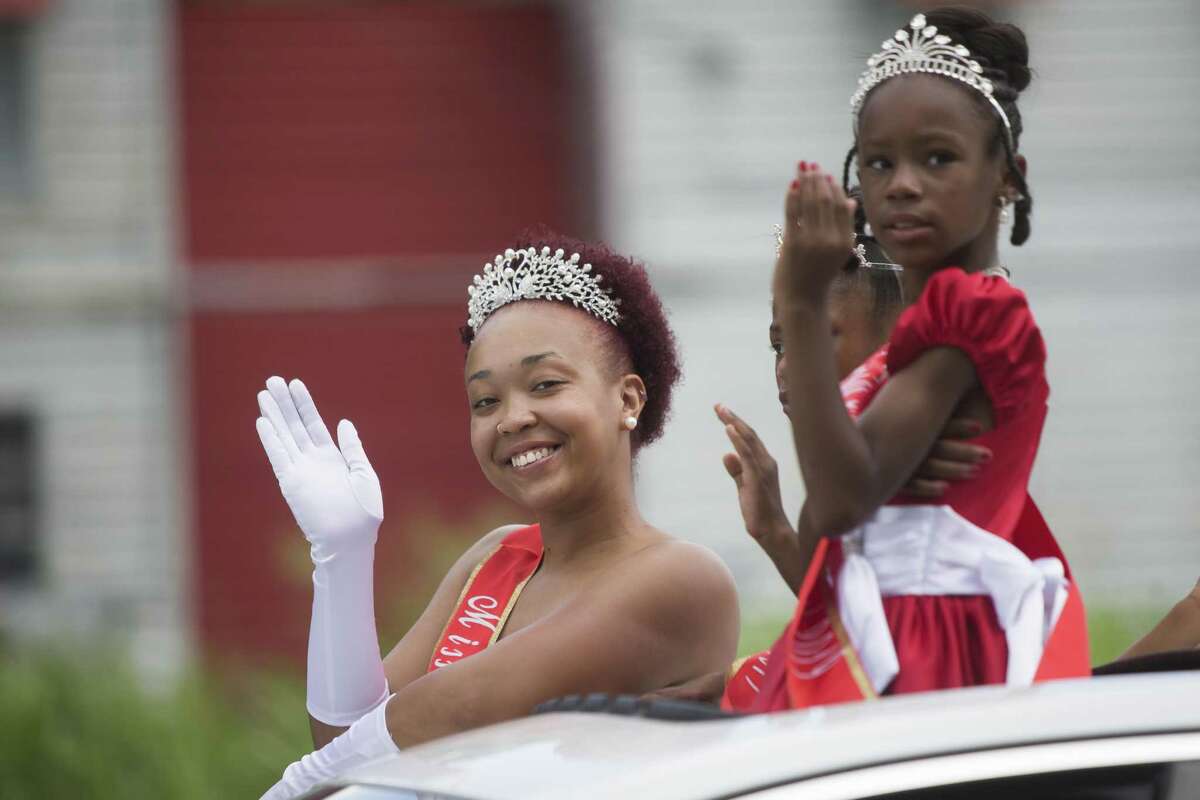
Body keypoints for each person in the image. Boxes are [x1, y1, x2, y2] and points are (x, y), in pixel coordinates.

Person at [255, 230, 740, 798]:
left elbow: (452, 711)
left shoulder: (681, 578)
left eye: (545, 384)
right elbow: (348, 740)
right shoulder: (498, 557)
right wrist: (342, 555)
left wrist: (298, 786)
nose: (512, 419)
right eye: (486, 401)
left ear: (627, 399)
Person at [759, 6, 1091, 711]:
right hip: (880, 633)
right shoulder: (911, 347)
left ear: (1007, 177)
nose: (902, 184)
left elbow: (840, 503)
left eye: (937, 158)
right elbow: (828, 525)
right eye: (879, 162)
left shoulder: (978, 313)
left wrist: (803, 303)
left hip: (933, 652)